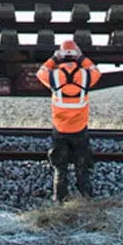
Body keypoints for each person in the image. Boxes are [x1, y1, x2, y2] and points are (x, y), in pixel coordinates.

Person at [36, 39, 102, 203]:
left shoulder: (55, 76)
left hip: (60, 129)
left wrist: (54, 59)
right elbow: (96, 71)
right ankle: (86, 199)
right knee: (83, 166)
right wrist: (82, 59)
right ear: (76, 57)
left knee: (60, 167)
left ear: (62, 56)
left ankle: (60, 201)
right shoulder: (85, 75)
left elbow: (40, 72)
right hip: (79, 128)